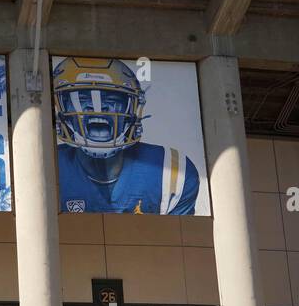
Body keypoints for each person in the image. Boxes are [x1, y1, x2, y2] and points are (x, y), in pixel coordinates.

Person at [53, 57, 199, 215]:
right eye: (82, 98)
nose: (98, 107)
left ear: (133, 108)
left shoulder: (171, 172)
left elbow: (179, 237)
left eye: (112, 98)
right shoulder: (48, 168)